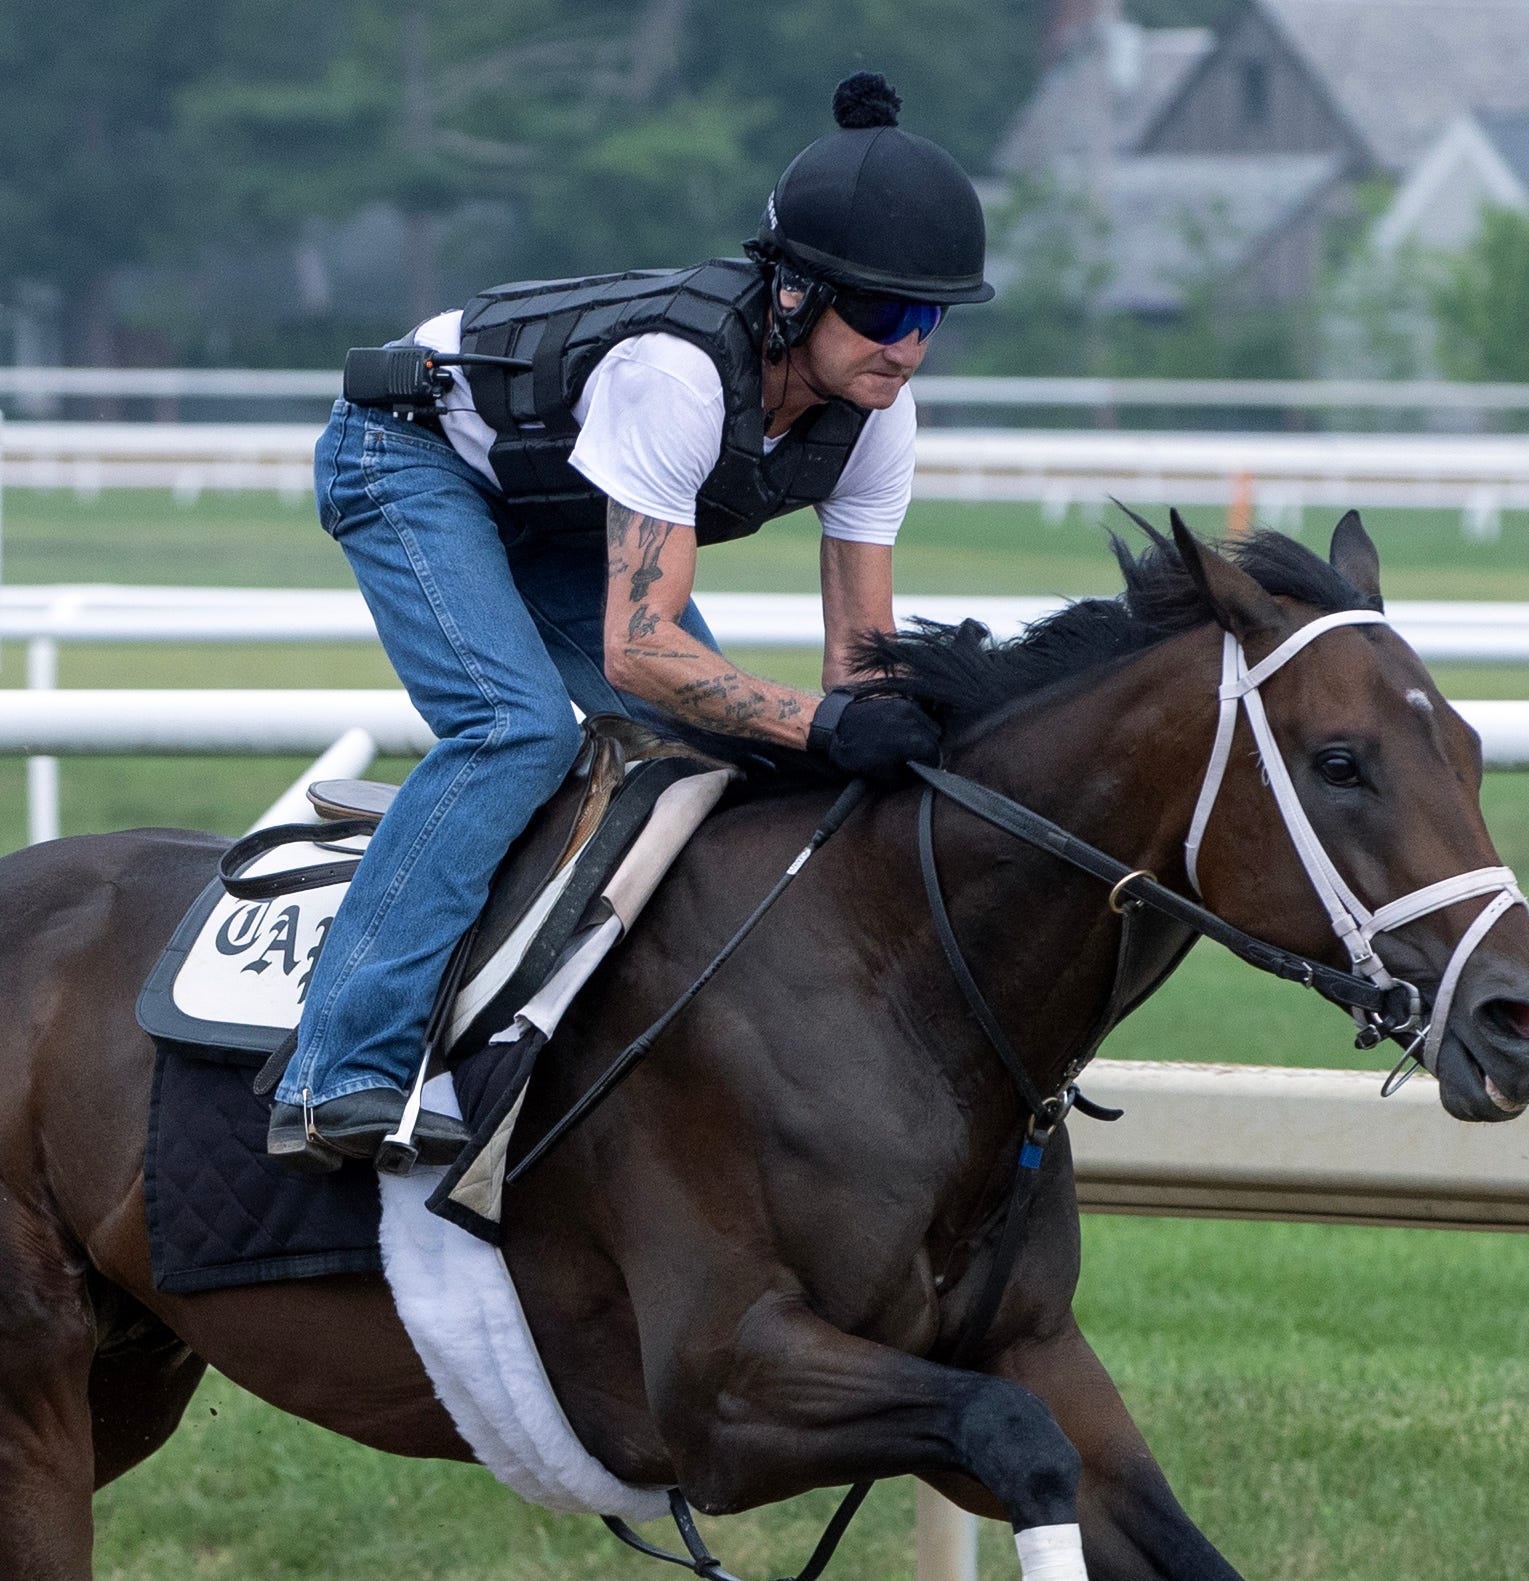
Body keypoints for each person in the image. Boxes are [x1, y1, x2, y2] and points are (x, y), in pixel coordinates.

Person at [266, 72, 994, 1171]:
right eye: (885, 314)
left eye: (928, 320)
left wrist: (889, 731)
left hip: (553, 502)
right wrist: (820, 725)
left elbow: (858, 665)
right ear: (792, 296)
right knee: (517, 731)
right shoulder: (676, 376)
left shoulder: (874, 420)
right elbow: (639, 649)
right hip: (408, 454)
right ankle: (335, 1074)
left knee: (706, 753)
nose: (907, 349)